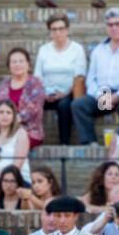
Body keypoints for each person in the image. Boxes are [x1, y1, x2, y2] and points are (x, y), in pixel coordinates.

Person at [74, 7, 119, 146]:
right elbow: (91, 78)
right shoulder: (98, 50)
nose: (114, 28)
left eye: (118, 24)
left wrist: (118, 95)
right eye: (110, 25)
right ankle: (90, 143)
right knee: (79, 105)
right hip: (103, 95)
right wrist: (102, 96)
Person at [35, 14, 85, 146]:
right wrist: (43, 93)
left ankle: (64, 143)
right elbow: (38, 76)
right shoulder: (44, 50)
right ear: (50, 32)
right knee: (32, 101)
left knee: (64, 105)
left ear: (67, 30)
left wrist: (65, 93)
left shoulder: (77, 49)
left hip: (68, 93)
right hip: (46, 93)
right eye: (54, 29)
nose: (58, 32)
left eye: (61, 28)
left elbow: (79, 76)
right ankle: (33, 139)